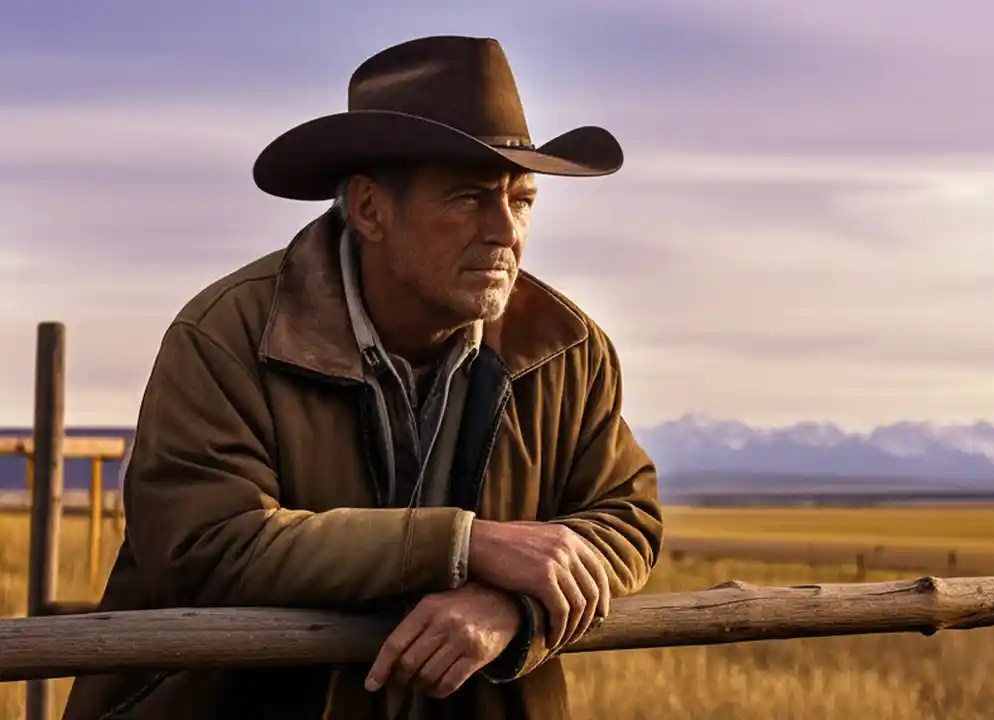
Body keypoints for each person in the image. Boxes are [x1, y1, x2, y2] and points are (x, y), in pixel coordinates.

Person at [63, 35, 663, 720]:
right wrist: (466, 546)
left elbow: (626, 517)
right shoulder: (228, 337)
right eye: (468, 198)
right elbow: (208, 545)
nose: (505, 231)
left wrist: (513, 604)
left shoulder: (565, 349)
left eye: (522, 201)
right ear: (371, 209)